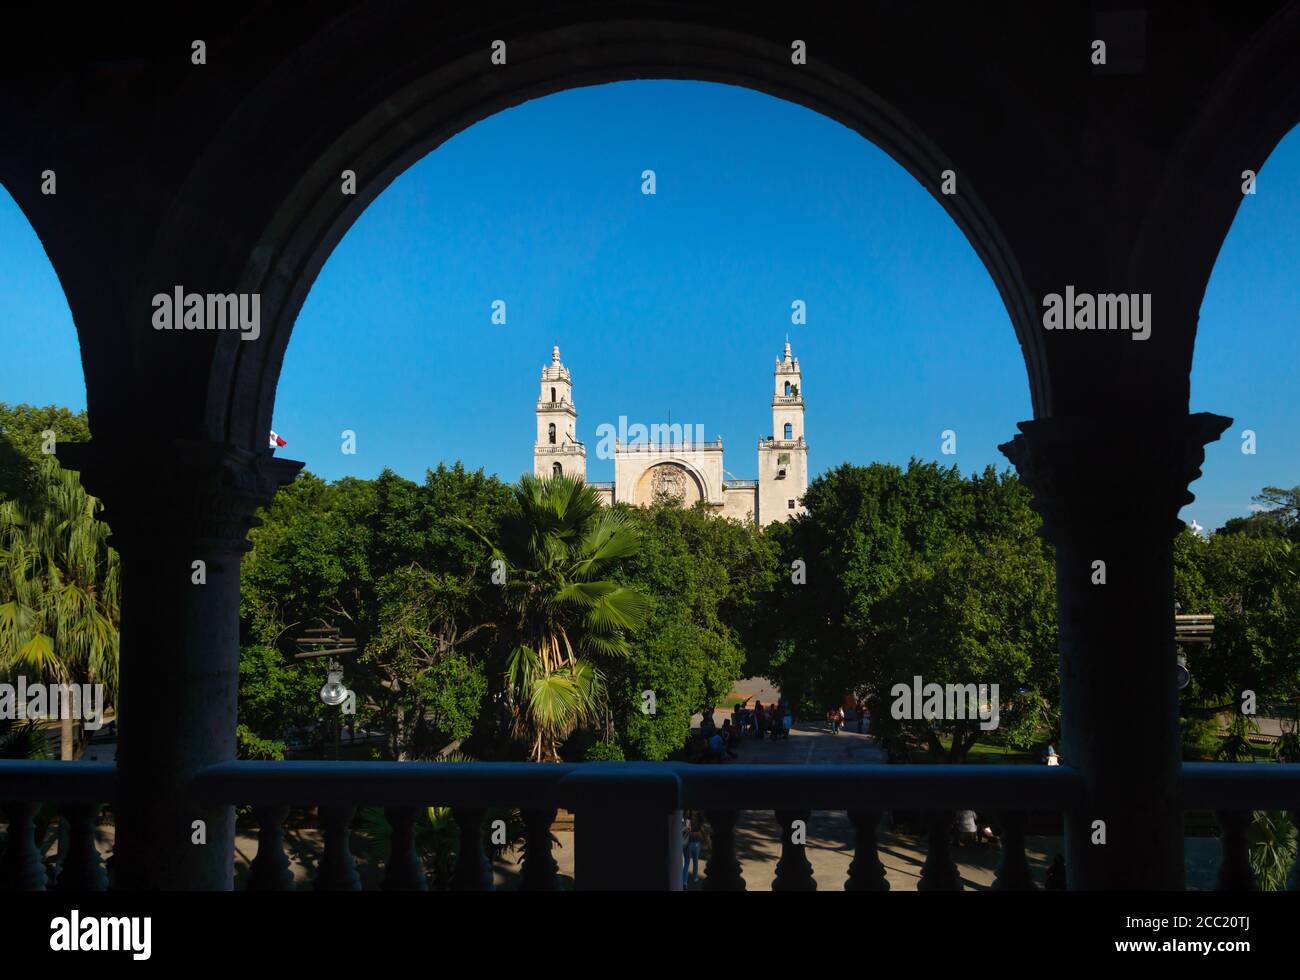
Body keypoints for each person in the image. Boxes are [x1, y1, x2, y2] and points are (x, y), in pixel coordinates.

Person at [682, 812, 703, 888]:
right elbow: (701, 829)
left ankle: (685, 881)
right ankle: (695, 878)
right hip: (695, 842)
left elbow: (687, 829)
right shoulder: (699, 817)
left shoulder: (688, 817)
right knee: (695, 861)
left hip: (689, 843)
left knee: (688, 862)